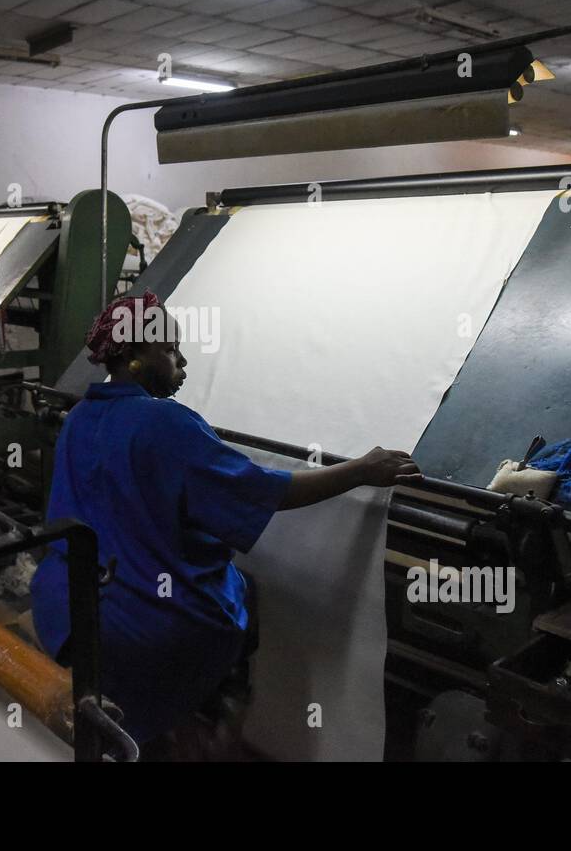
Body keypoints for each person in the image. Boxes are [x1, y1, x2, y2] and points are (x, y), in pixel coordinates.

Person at [29, 290, 422, 751]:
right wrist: (360, 470)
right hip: (138, 625)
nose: (182, 362)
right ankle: (207, 720)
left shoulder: (78, 417)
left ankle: (157, 720)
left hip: (64, 604)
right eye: (171, 350)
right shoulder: (165, 422)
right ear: (135, 354)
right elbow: (265, 491)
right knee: (238, 599)